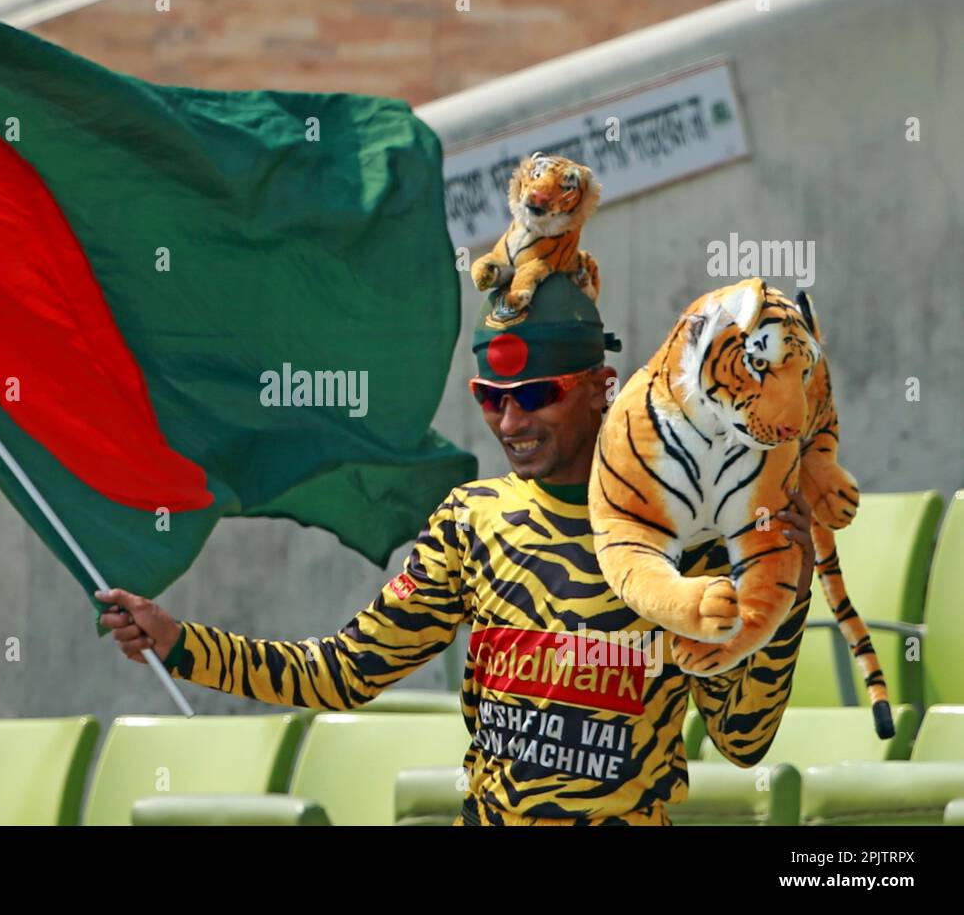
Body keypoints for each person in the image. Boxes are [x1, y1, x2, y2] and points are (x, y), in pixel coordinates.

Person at [97, 274, 816, 826]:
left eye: (536, 394)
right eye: (489, 397)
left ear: (604, 387)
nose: (510, 421)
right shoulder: (472, 521)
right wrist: (182, 644)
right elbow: (345, 673)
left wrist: (785, 597)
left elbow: (741, 740)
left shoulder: (687, 540)